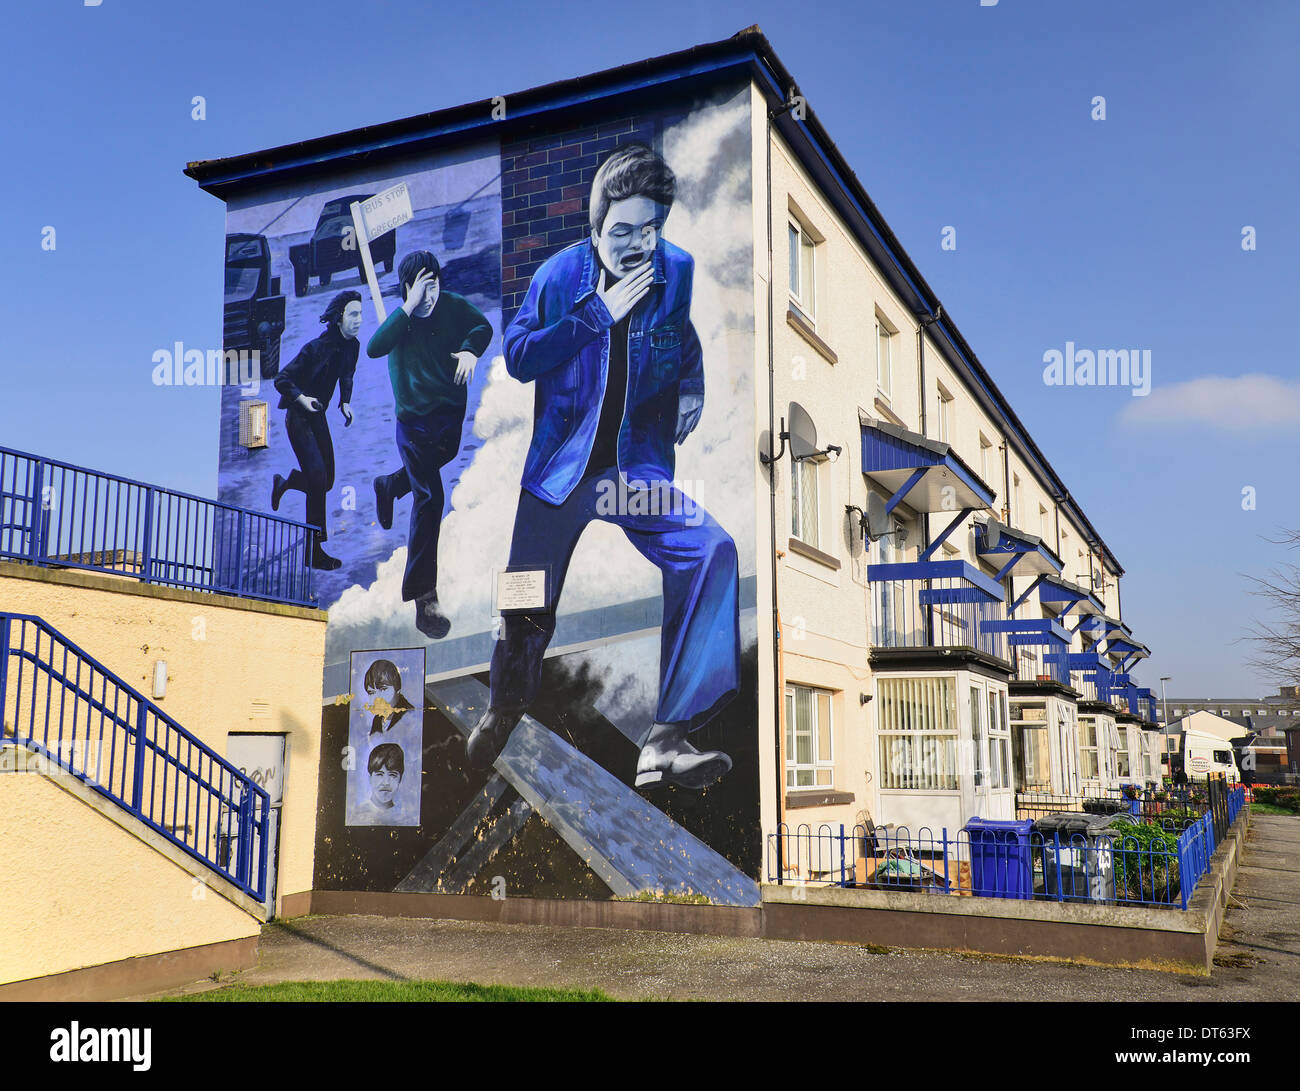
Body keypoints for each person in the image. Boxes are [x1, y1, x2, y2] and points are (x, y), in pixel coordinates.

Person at [465, 143, 740, 791]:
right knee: (524, 610)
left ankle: (668, 739)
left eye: (649, 229)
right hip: (557, 474)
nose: (638, 245)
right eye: (622, 232)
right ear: (594, 230)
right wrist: (598, 315)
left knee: (712, 550)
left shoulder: (676, 272)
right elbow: (522, 355)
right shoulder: (559, 277)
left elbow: (682, 340)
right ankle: (506, 707)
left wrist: (691, 389)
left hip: (630, 470)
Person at [367, 252, 492, 639]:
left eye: (435, 283)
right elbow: (374, 347)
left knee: (447, 457)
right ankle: (424, 598)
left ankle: (390, 485)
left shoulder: (452, 307)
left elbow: (482, 326)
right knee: (429, 498)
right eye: (423, 286)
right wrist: (406, 305)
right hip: (414, 426)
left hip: (448, 418)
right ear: (407, 288)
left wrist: (471, 349)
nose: (431, 293)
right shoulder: (399, 324)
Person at [270, 290, 362, 570]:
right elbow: (281, 378)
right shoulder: (315, 348)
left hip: (318, 415)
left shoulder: (353, 346)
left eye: (361, 314)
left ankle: (287, 483)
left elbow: (347, 375)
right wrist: (301, 398)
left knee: (328, 480)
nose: (359, 320)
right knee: (319, 478)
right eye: (353, 314)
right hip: (298, 416)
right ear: (338, 318)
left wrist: (344, 402)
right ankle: (315, 550)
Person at [364, 658, 415, 735]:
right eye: (371, 693)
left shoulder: (410, 715)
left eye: (383, 689)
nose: (377, 698)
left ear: (397, 688)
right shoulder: (377, 720)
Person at [364, 743, 405, 815]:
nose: (386, 782)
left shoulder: (405, 817)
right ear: (370, 778)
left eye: (392, 775)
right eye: (379, 774)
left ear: (400, 779)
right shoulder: (356, 814)